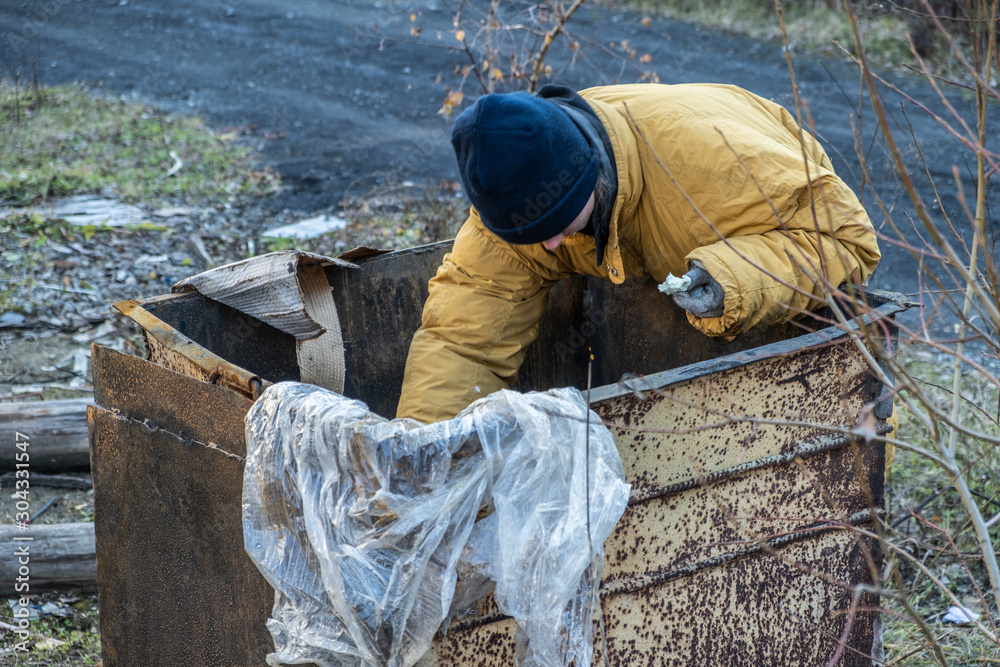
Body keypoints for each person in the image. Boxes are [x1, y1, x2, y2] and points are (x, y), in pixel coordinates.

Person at [396, 83, 881, 424]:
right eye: (530, 235)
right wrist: (420, 468)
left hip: (767, 192)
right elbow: (463, 342)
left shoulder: (718, 170)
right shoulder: (516, 197)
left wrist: (734, 279)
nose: (547, 246)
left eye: (557, 225)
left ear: (588, 176)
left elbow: (849, 241)